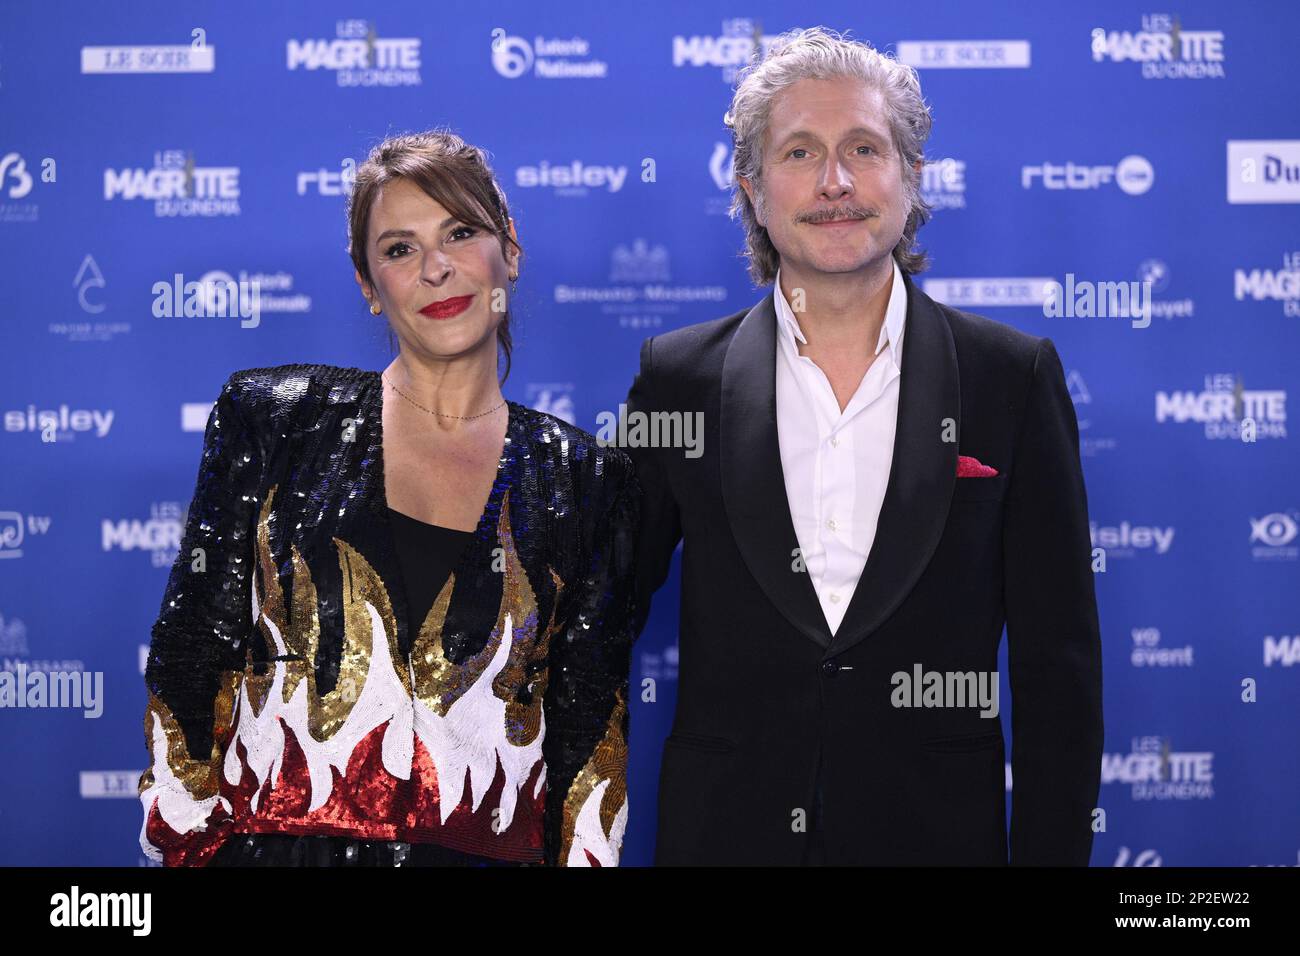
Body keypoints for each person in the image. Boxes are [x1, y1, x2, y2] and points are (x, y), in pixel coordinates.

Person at [623, 27, 1103, 865]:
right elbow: (597, 609)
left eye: (864, 149)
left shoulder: (1011, 378)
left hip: (939, 840)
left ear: (910, 177)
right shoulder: (677, 381)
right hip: (726, 838)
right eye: (800, 152)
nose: (835, 182)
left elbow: (1057, 669)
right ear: (752, 189)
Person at [138, 130, 640, 868]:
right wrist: (187, 852)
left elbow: (588, 740)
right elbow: (190, 659)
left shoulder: (585, 478)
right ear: (370, 286)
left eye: (460, 233)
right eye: (400, 249)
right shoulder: (275, 420)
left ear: (511, 252)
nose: (437, 268)